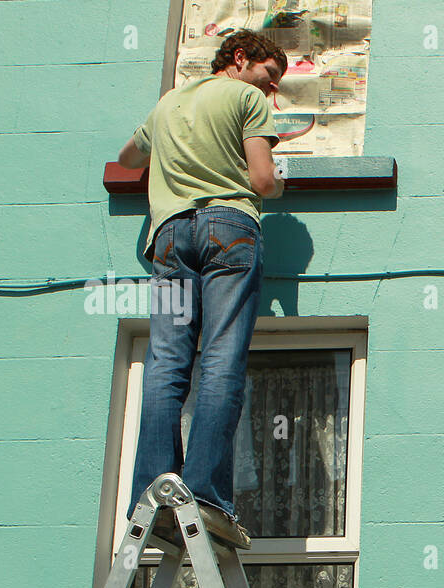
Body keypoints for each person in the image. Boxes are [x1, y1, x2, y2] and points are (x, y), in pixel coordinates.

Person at [115, 30, 288, 548]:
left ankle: (152, 492)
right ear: (240, 59)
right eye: (269, 75)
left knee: (167, 364)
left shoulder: (168, 104)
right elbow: (260, 181)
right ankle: (204, 493)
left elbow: (127, 158)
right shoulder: (245, 99)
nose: (271, 90)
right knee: (220, 360)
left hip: (169, 238)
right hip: (229, 230)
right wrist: (279, 178)